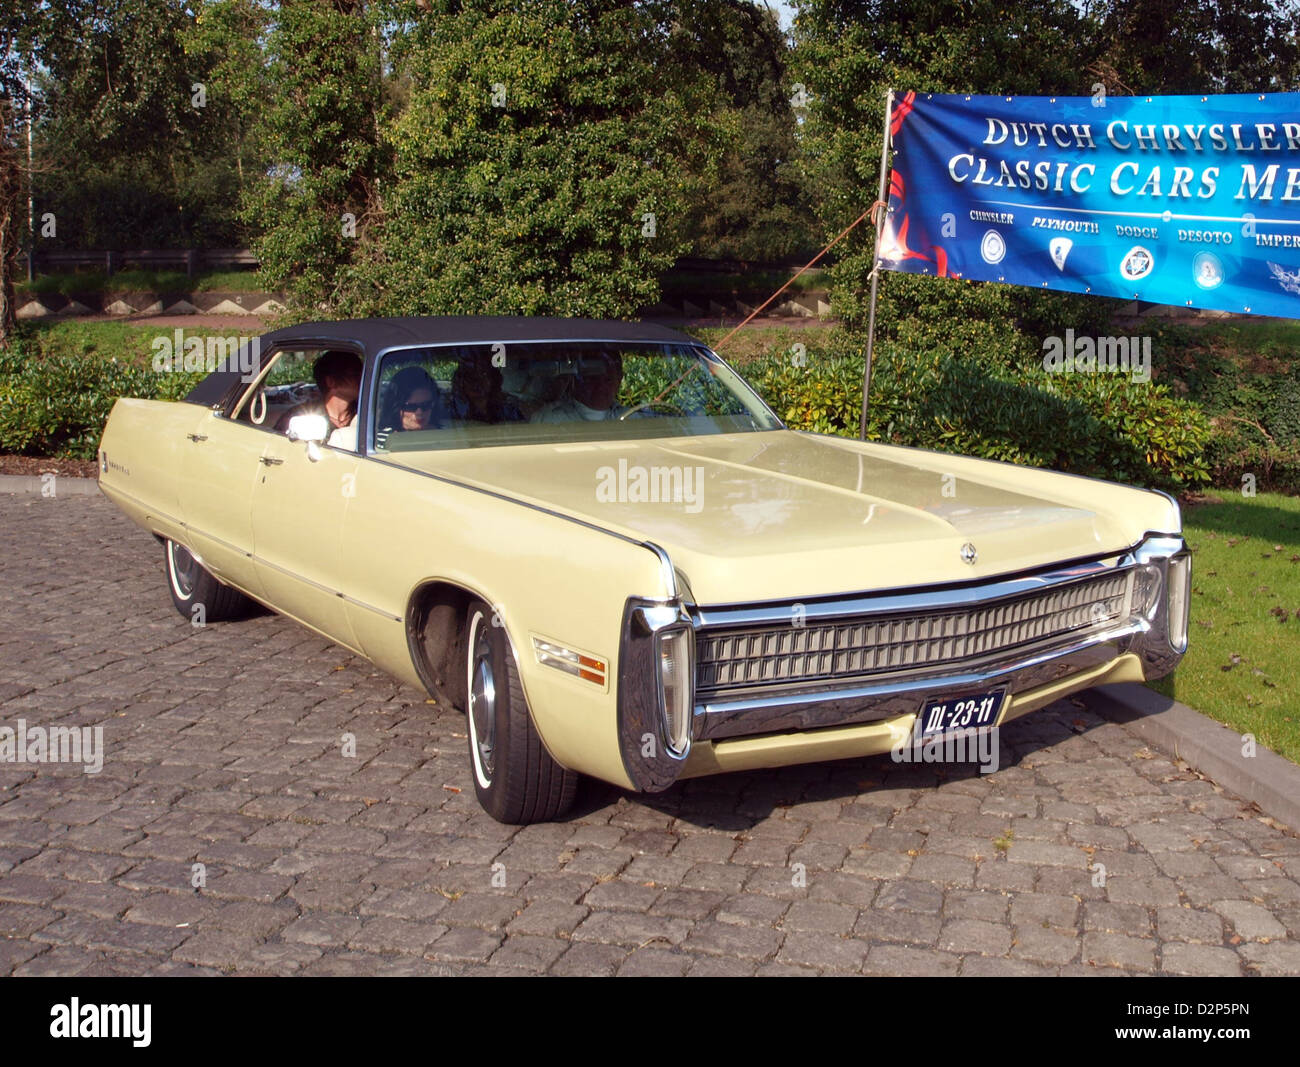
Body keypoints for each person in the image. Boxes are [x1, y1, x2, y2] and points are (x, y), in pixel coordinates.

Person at [275, 350, 363, 451]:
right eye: (355, 375)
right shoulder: (301, 416)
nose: (362, 379)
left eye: (362, 374)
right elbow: (279, 449)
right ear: (331, 382)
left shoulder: (366, 415)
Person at [530, 351, 627, 423]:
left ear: (619, 380)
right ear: (576, 379)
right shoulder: (548, 419)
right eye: (593, 379)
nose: (601, 386)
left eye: (608, 380)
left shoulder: (635, 417)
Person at [374, 366, 442, 449]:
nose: (419, 412)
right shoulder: (379, 441)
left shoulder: (448, 435)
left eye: (426, 405)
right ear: (396, 407)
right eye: (410, 407)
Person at [449, 354, 521, 424]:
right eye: (470, 377)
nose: (477, 383)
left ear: (493, 380)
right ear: (461, 383)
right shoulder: (452, 410)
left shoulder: (508, 410)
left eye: (483, 375)